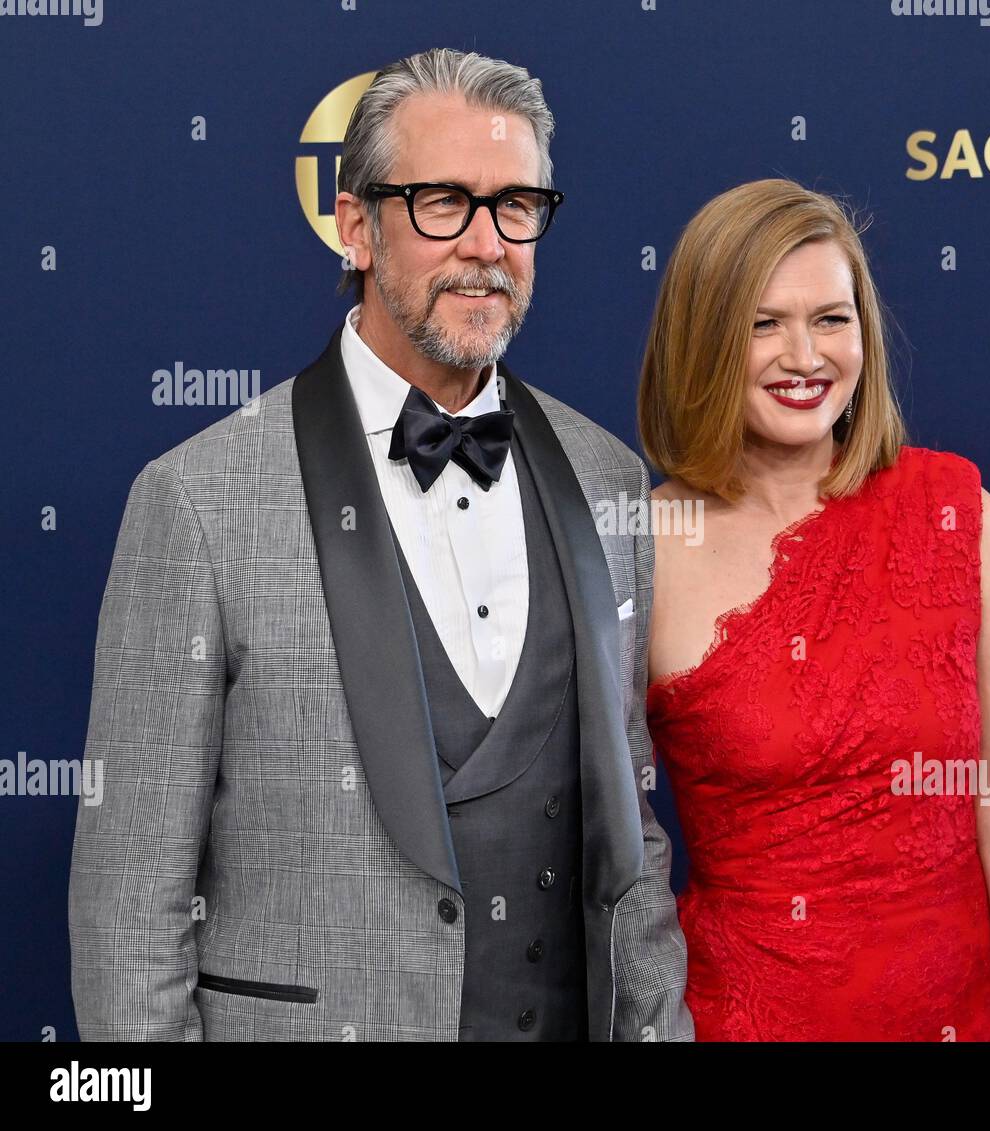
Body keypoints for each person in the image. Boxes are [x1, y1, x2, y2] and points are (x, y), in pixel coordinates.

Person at [68, 47, 692, 1042]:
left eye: (516, 206)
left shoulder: (607, 478)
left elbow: (629, 839)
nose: (485, 244)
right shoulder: (195, 502)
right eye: (442, 203)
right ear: (355, 227)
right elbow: (127, 911)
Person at [638, 178, 990, 1041]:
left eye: (831, 319)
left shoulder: (958, 514)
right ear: (706, 340)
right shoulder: (641, 548)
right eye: (764, 323)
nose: (805, 355)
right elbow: (606, 854)